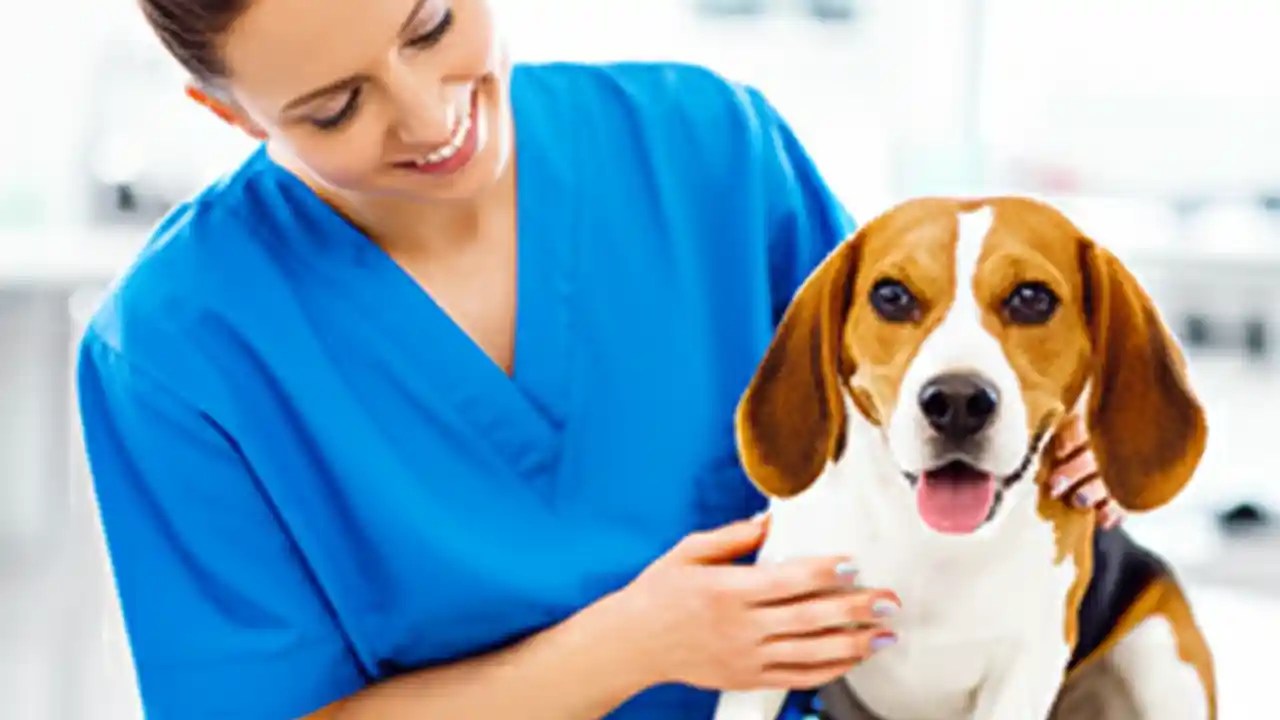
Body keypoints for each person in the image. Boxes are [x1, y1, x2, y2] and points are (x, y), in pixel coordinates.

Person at [75, 1, 1122, 718]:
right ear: (228, 114)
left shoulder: (708, 148)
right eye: (335, 108)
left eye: (431, 23)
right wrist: (627, 650)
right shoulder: (177, 347)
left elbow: (909, 428)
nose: (431, 114)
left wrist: (1041, 441)